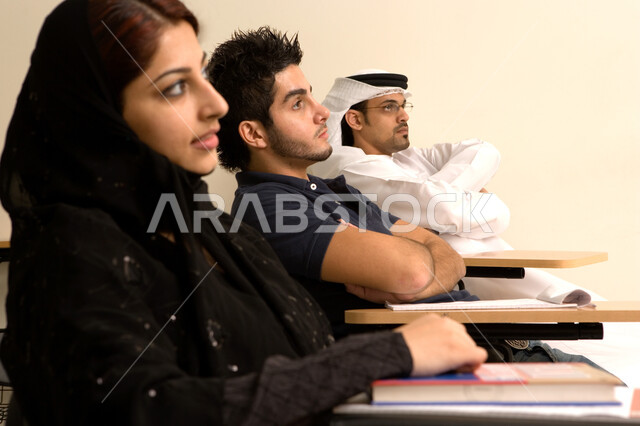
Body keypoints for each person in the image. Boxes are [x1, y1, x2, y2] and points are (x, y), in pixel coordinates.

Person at [0, 0, 488, 424]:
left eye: (202, 74)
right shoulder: (72, 247)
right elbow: (151, 410)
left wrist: (424, 271)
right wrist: (397, 350)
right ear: (99, 113)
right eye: (174, 87)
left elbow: (303, 355)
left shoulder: (211, 228)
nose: (215, 104)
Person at [207, 28, 480, 338]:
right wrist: (417, 266)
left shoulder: (333, 190)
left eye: (311, 95)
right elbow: (414, 270)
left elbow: (447, 254)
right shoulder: (271, 208)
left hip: (480, 340)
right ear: (254, 134)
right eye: (298, 104)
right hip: (437, 367)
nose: (322, 112)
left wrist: (416, 282)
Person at [310, 70, 602, 303]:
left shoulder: (406, 158)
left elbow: (484, 150)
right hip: (462, 288)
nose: (404, 116)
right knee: (457, 240)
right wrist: (472, 203)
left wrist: (441, 196)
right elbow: (452, 210)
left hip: (506, 282)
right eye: (389, 107)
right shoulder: (351, 169)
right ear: (355, 119)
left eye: (403, 106)